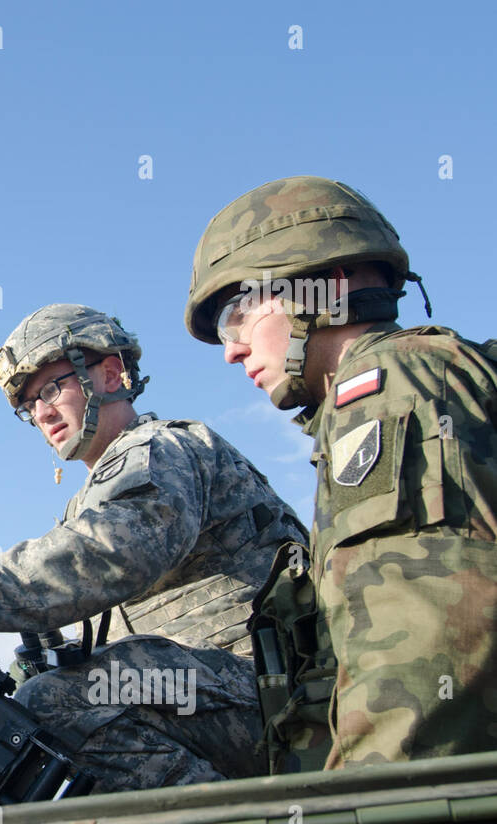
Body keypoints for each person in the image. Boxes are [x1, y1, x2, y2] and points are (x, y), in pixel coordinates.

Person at [0, 304, 307, 792]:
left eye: (50, 388)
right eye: (28, 405)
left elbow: (112, 552)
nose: (41, 412)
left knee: (54, 705)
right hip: (228, 696)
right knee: (18, 715)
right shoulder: (90, 499)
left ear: (109, 375)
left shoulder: (159, 450)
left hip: (271, 691)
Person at [184, 175, 497, 771]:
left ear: (319, 288)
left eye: (236, 314)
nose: (232, 350)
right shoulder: (413, 386)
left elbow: (423, 662)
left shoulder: (386, 386)